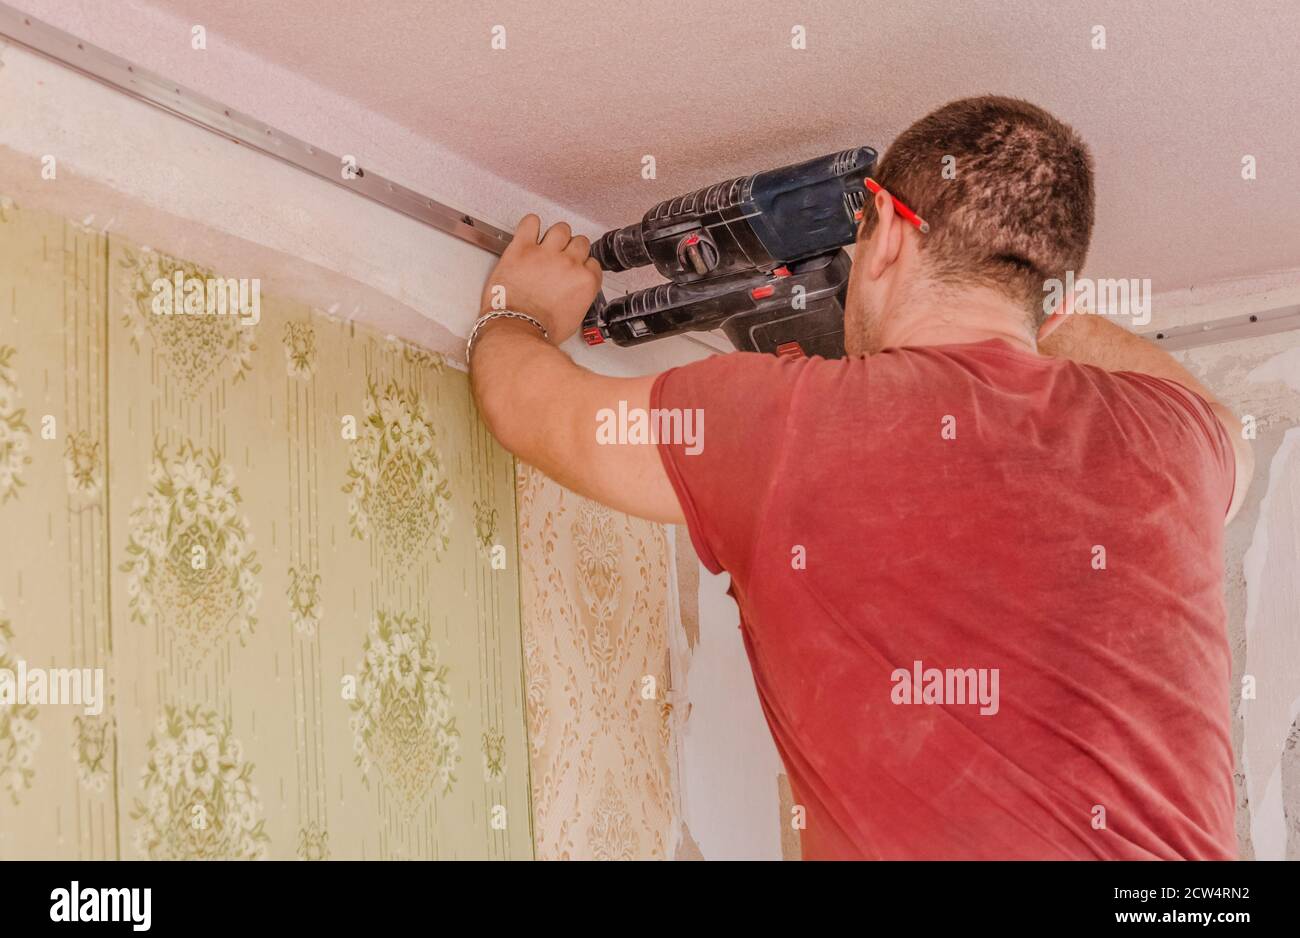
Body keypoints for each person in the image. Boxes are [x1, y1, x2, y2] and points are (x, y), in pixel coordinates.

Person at [467, 96, 1253, 859]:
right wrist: (1037, 307)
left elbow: (538, 414)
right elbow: (1223, 431)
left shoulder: (787, 424)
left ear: (885, 242)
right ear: (1054, 301)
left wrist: (519, 309)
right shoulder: (1178, 441)